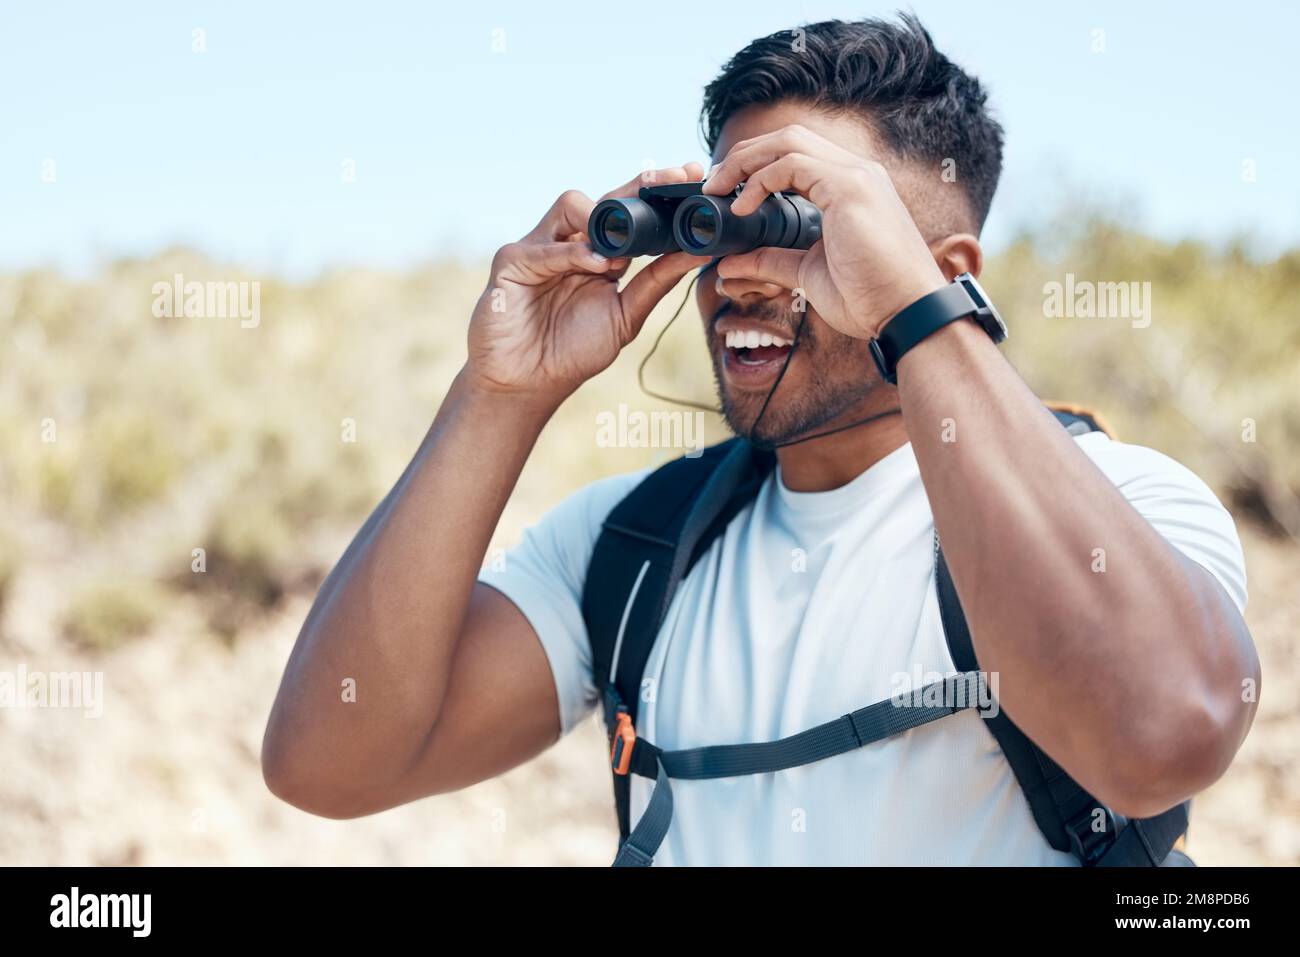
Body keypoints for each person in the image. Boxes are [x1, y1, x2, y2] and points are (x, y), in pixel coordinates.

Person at [262, 14, 1260, 865]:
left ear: (944, 268)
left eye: (798, 222)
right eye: (720, 225)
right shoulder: (635, 544)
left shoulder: (1124, 506)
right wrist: (498, 393)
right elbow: (331, 764)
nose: (740, 275)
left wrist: (916, 316)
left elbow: (1159, 742)